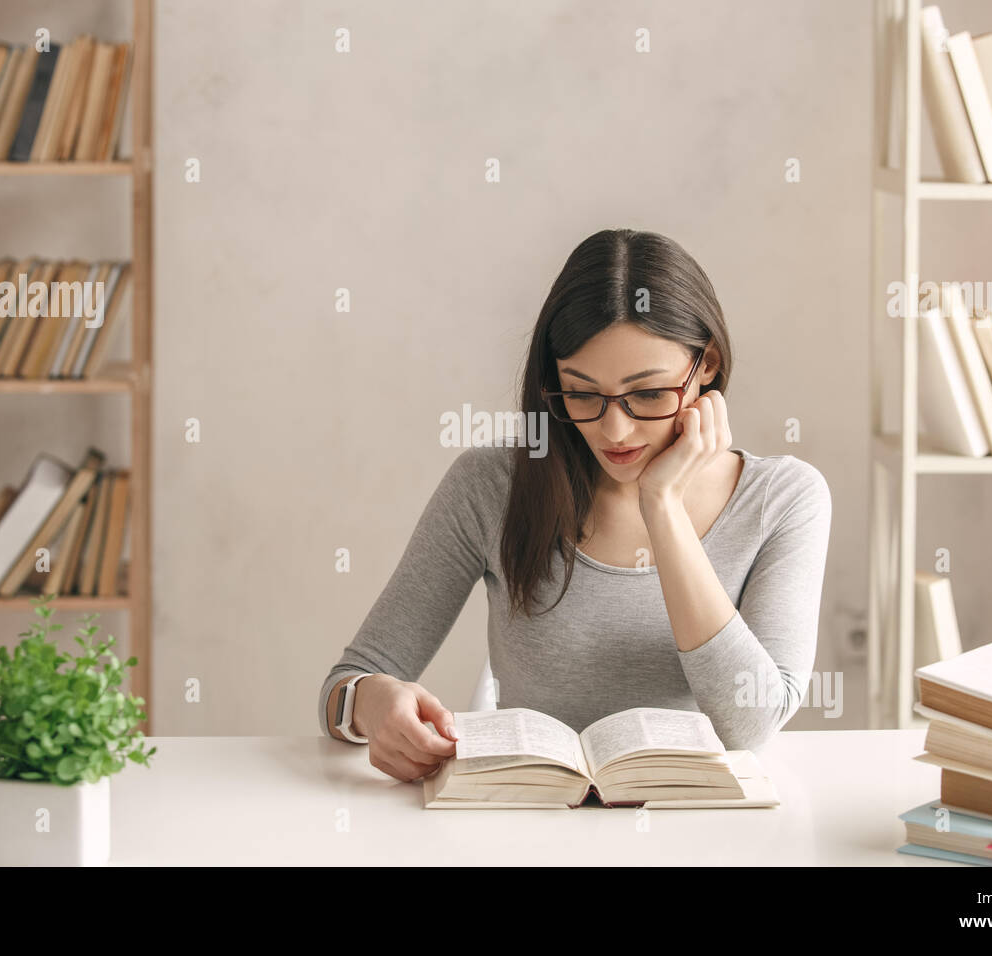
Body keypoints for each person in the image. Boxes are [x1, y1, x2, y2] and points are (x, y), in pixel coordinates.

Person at [318, 228, 832, 784]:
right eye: (582, 393)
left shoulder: (784, 499)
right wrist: (370, 702)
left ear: (705, 365)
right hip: (531, 823)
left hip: (706, 837)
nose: (614, 429)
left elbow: (749, 725)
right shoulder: (490, 486)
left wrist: (661, 505)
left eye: (648, 394)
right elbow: (348, 683)